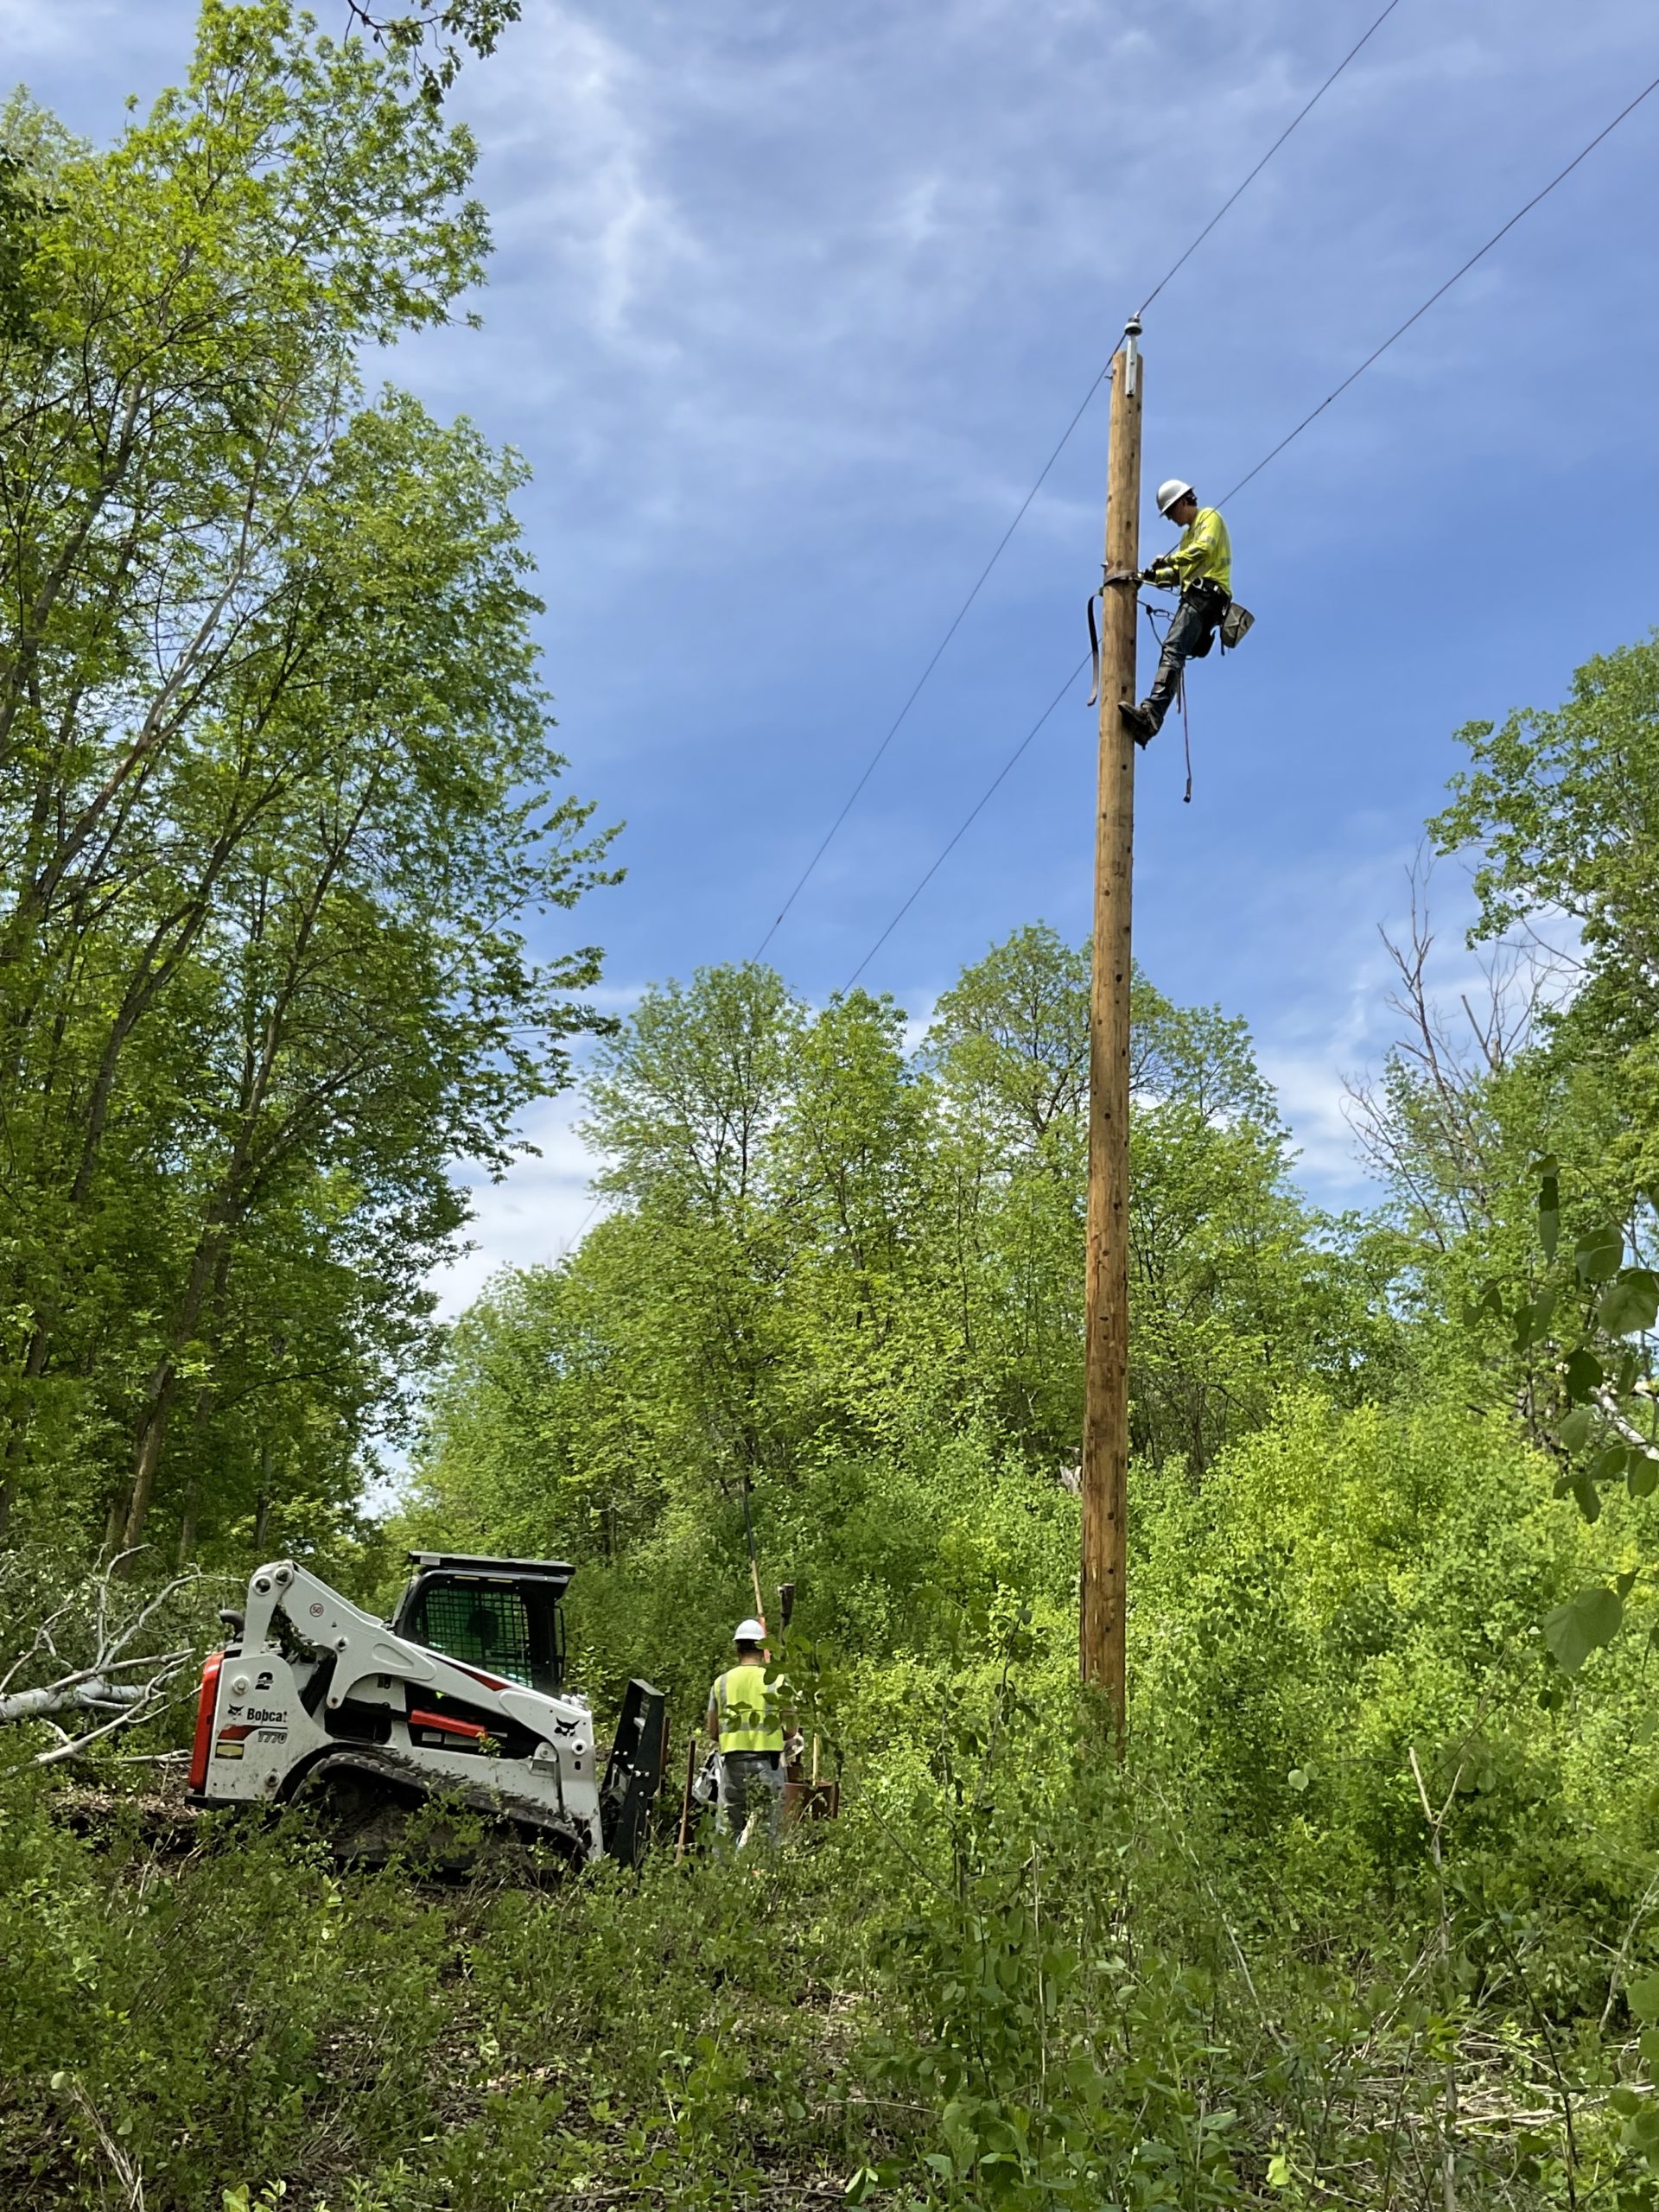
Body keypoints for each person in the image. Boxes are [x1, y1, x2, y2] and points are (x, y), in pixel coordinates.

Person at [1118, 480, 1231, 747]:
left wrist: (1168, 559)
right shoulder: (1185, 536)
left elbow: (1203, 549)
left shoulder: (1209, 517)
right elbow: (1178, 574)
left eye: (1171, 512)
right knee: (1173, 650)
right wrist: (1148, 577)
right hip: (1196, 596)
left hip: (1209, 596)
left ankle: (1151, 717)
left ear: (1183, 501)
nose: (1171, 519)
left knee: (1173, 649)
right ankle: (1150, 719)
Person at [705, 1618, 791, 1848]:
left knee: (728, 1832)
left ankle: (724, 1880)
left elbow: (713, 1732)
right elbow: (791, 1729)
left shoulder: (721, 1683)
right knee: (767, 1833)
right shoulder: (778, 1680)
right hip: (768, 1765)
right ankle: (763, 1880)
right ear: (763, 1648)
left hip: (733, 1767)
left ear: (737, 1648)